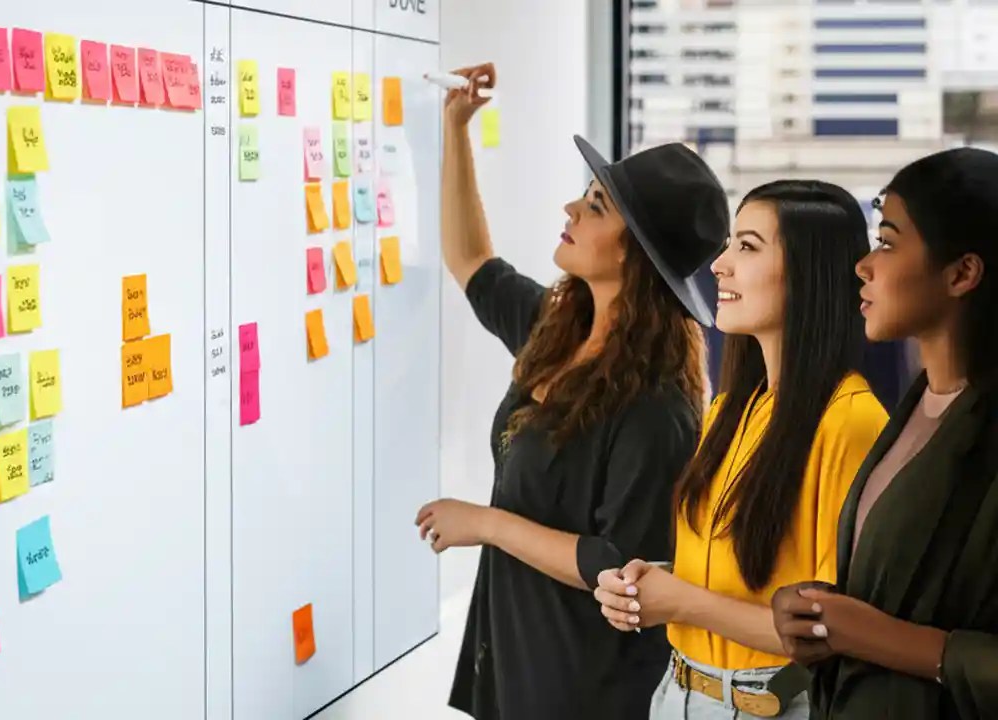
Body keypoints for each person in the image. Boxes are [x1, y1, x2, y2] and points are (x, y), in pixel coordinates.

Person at [412, 62, 727, 718]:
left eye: (595, 205)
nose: (570, 210)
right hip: (513, 663)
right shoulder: (554, 330)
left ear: (633, 255)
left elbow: (618, 563)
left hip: (583, 688)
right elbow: (471, 260)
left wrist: (488, 524)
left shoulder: (659, 408)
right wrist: (454, 126)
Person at [593, 180, 890, 718]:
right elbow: (731, 575)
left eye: (747, 247)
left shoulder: (852, 421)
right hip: (675, 694)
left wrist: (681, 601)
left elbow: (829, 627)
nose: (719, 265)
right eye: (730, 243)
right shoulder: (731, 408)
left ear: (808, 272)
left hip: (767, 705)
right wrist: (647, 582)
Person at [771, 147, 998, 719]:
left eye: (889, 242)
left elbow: (890, 628)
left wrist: (874, 635)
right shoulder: (918, 404)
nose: (864, 266)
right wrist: (806, 610)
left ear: (962, 273)